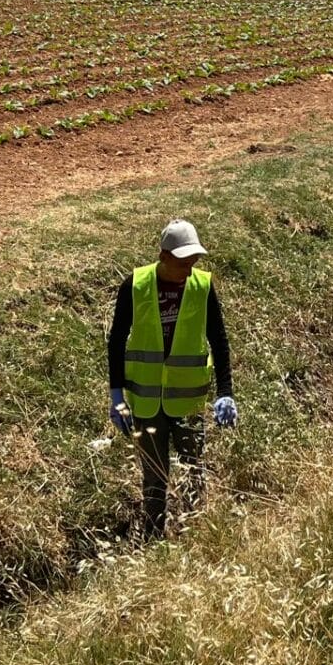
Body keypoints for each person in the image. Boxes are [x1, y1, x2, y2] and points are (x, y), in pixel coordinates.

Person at [108, 219, 238, 540]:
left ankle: (199, 534)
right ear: (163, 256)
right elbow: (116, 341)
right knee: (154, 477)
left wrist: (226, 391)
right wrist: (116, 396)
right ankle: (154, 538)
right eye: (183, 262)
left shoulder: (201, 287)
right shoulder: (135, 286)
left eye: (193, 261)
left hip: (188, 401)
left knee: (195, 468)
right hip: (146, 403)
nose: (189, 268)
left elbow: (218, 340)